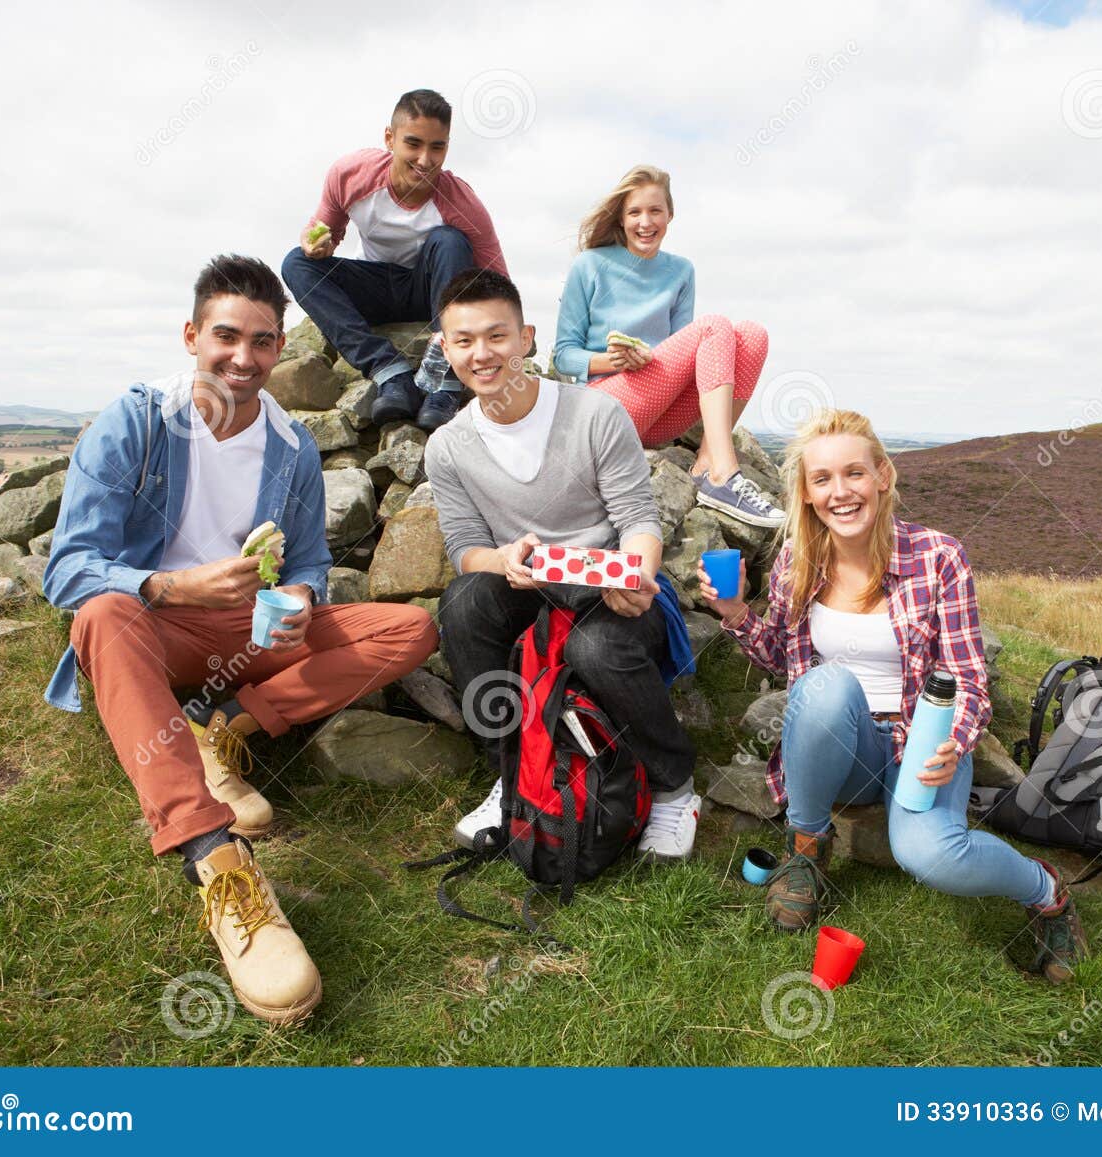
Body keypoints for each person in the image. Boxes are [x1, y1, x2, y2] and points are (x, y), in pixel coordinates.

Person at [42, 255, 438, 1024]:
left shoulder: (290, 448)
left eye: (262, 342)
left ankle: (227, 725)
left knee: (410, 626)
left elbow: (313, 558)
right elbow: (69, 570)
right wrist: (169, 585)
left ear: (280, 348)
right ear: (192, 335)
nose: (243, 358)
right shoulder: (137, 422)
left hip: (247, 629)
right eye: (226, 336)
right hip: (149, 624)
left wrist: (300, 594)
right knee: (100, 615)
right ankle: (214, 857)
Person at [697, 409, 1090, 983]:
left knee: (932, 856)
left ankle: (1047, 892)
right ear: (807, 493)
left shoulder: (939, 558)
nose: (841, 492)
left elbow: (968, 674)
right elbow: (784, 660)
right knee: (827, 685)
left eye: (854, 473)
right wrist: (734, 614)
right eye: (823, 479)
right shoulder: (796, 560)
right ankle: (806, 850)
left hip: (924, 745)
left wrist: (956, 742)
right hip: (846, 744)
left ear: (882, 475)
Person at [423, 268, 702, 860]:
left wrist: (639, 576)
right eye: (464, 340)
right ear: (444, 349)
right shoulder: (447, 446)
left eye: (497, 337)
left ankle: (677, 786)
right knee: (464, 599)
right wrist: (501, 558)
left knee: (595, 649)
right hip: (530, 582)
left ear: (526, 338)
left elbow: (639, 520)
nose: (482, 354)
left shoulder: (594, 415)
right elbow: (465, 548)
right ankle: (511, 772)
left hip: (608, 581)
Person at [552, 165, 781, 529]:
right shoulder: (590, 265)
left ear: (669, 215)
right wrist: (611, 361)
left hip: (660, 417)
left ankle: (708, 465)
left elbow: (686, 351)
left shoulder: (681, 271)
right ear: (622, 218)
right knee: (714, 326)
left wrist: (652, 359)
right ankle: (726, 472)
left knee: (753, 335)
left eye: (655, 211)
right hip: (606, 408)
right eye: (635, 212)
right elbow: (563, 354)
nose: (646, 221)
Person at [281, 89, 506, 432]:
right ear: (390, 138)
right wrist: (317, 244)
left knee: (449, 241)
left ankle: (442, 382)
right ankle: (390, 371)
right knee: (295, 263)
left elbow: (496, 278)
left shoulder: (461, 201)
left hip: (430, 292)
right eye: (413, 143)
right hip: (374, 289)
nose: (425, 159)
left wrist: (511, 337)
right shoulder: (351, 174)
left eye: (437, 147)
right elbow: (325, 228)